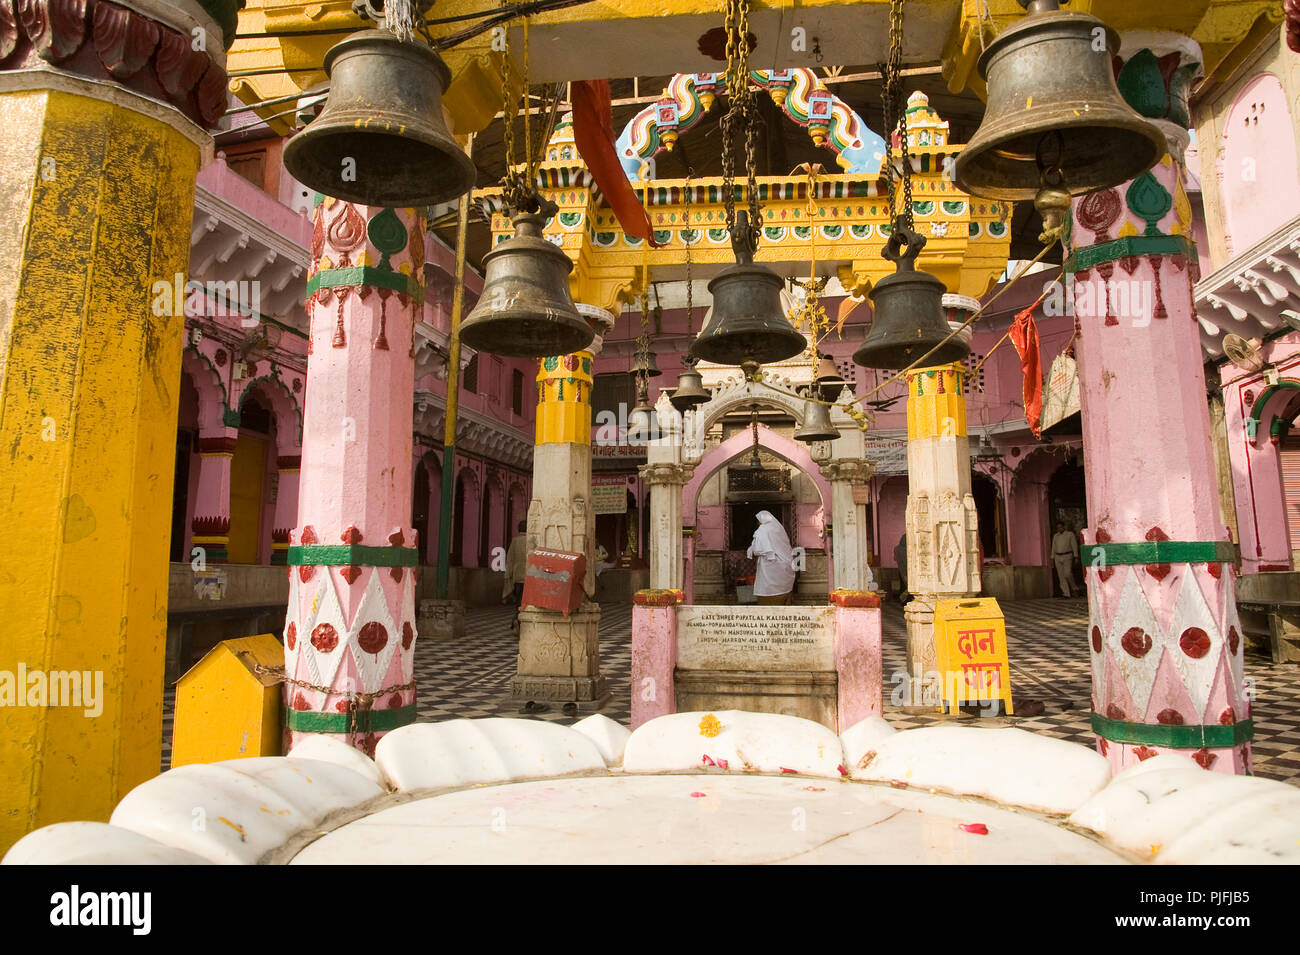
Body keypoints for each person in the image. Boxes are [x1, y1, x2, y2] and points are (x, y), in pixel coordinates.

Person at [747, 510, 795, 605]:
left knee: (769, 590)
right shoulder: (779, 528)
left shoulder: (763, 529)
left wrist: (751, 549)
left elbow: (758, 549)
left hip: (770, 566)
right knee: (783, 591)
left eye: (758, 520)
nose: (758, 523)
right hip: (784, 565)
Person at [502, 520, 528, 632]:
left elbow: (510, 559)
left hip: (517, 578)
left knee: (519, 602)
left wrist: (508, 577)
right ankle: (519, 622)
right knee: (527, 603)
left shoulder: (515, 541)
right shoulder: (532, 540)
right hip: (529, 577)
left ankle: (516, 621)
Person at [1051, 520, 1079, 598]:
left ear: (1064, 527)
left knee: (1067, 573)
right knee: (1061, 576)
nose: (1059, 529)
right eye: (1058, 528)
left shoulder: (1070, 534)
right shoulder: (1056, 536)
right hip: (1057, 556)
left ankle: (1074, 588)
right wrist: (1052, 557)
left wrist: (1076, 556)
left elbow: (1074, 545)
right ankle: (1066, 593)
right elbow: (1053, 547)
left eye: (1061, 527)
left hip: (1067, 555)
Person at [894, 532, 909, 601]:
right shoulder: (908, 549)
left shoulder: (896, 549)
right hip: (909, 571)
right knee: (909, 586)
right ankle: (904, 598)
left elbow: (894, 559)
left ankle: (903, 599)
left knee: (903, 586)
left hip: (900, 570)